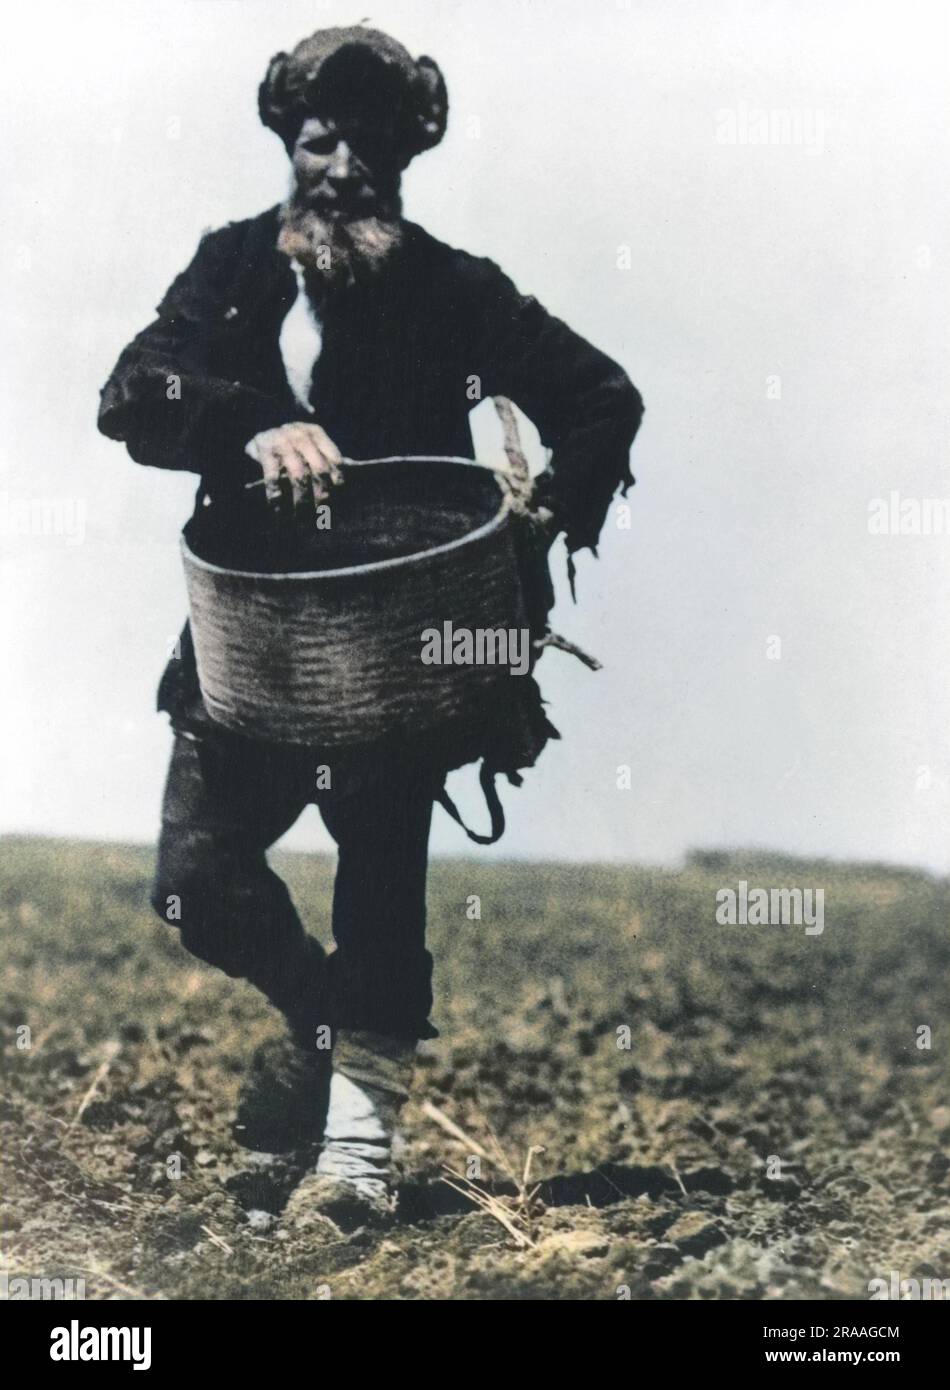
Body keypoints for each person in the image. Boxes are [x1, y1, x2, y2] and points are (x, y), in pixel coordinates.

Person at [98, 24, 643, 1228]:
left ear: (407, 154)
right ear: (289, 144)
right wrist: (244, 419)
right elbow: (131, 392)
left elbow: (602, 396)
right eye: (320, 138)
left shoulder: (456, 290)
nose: (342, 165)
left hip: (397, 648)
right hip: (246, 650)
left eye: (371, 145)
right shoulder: (230, 268)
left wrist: (535, 526)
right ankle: (315, 1015)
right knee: (193, 884)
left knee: (380, 882)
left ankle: (354, 1160)